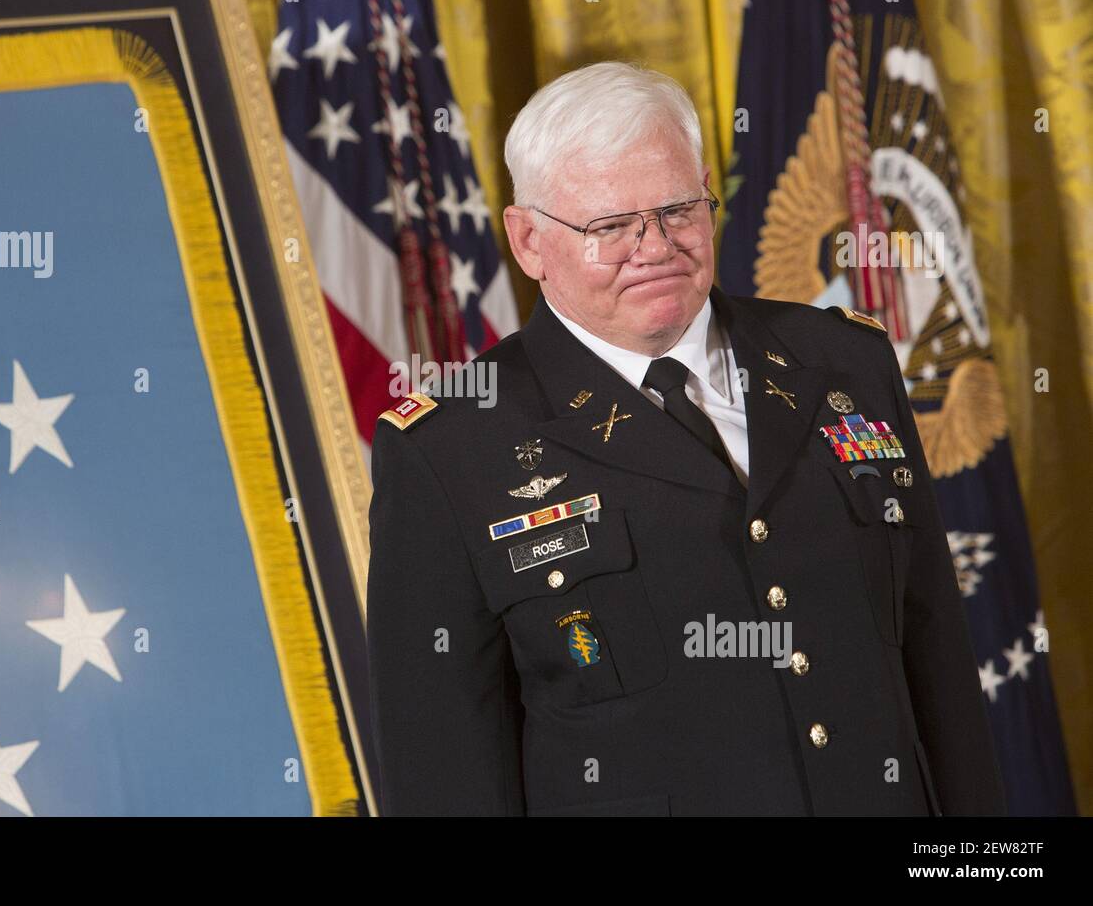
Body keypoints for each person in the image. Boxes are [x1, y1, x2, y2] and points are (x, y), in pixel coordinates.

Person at [365, 61, 1006, 816]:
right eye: (610, 226)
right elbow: (444, 777)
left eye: (677, 209)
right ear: (530, 241)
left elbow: (939, 668)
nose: (655, 246)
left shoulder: (846, 362)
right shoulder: (451, 448)